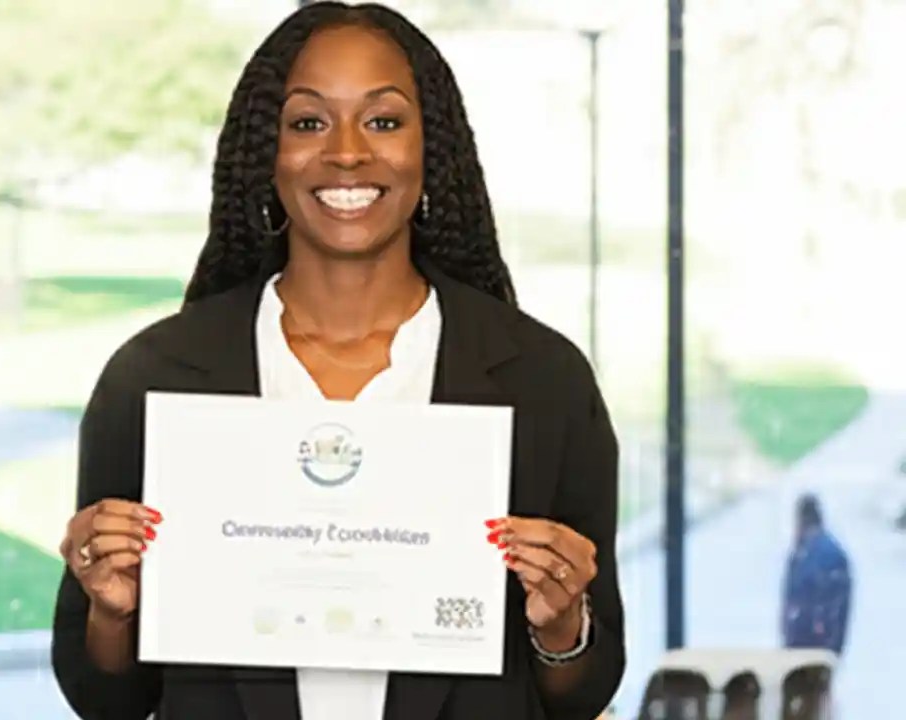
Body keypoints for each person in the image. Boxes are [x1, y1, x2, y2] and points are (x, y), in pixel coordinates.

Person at [51, 3, 624, 718]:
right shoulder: (155, 378)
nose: (347, 152)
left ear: (431, 147)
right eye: (308, 122)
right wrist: (113, 610)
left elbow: (584, 694)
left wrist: (562, 625)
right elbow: (104, 698)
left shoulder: (543, 380)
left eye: (383, 121)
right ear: (266, 151)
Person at [782, 493, 851, 656]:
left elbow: (796, 601)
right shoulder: (827, 550)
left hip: (808, 643)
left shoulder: (807, 554)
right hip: (823, 643)